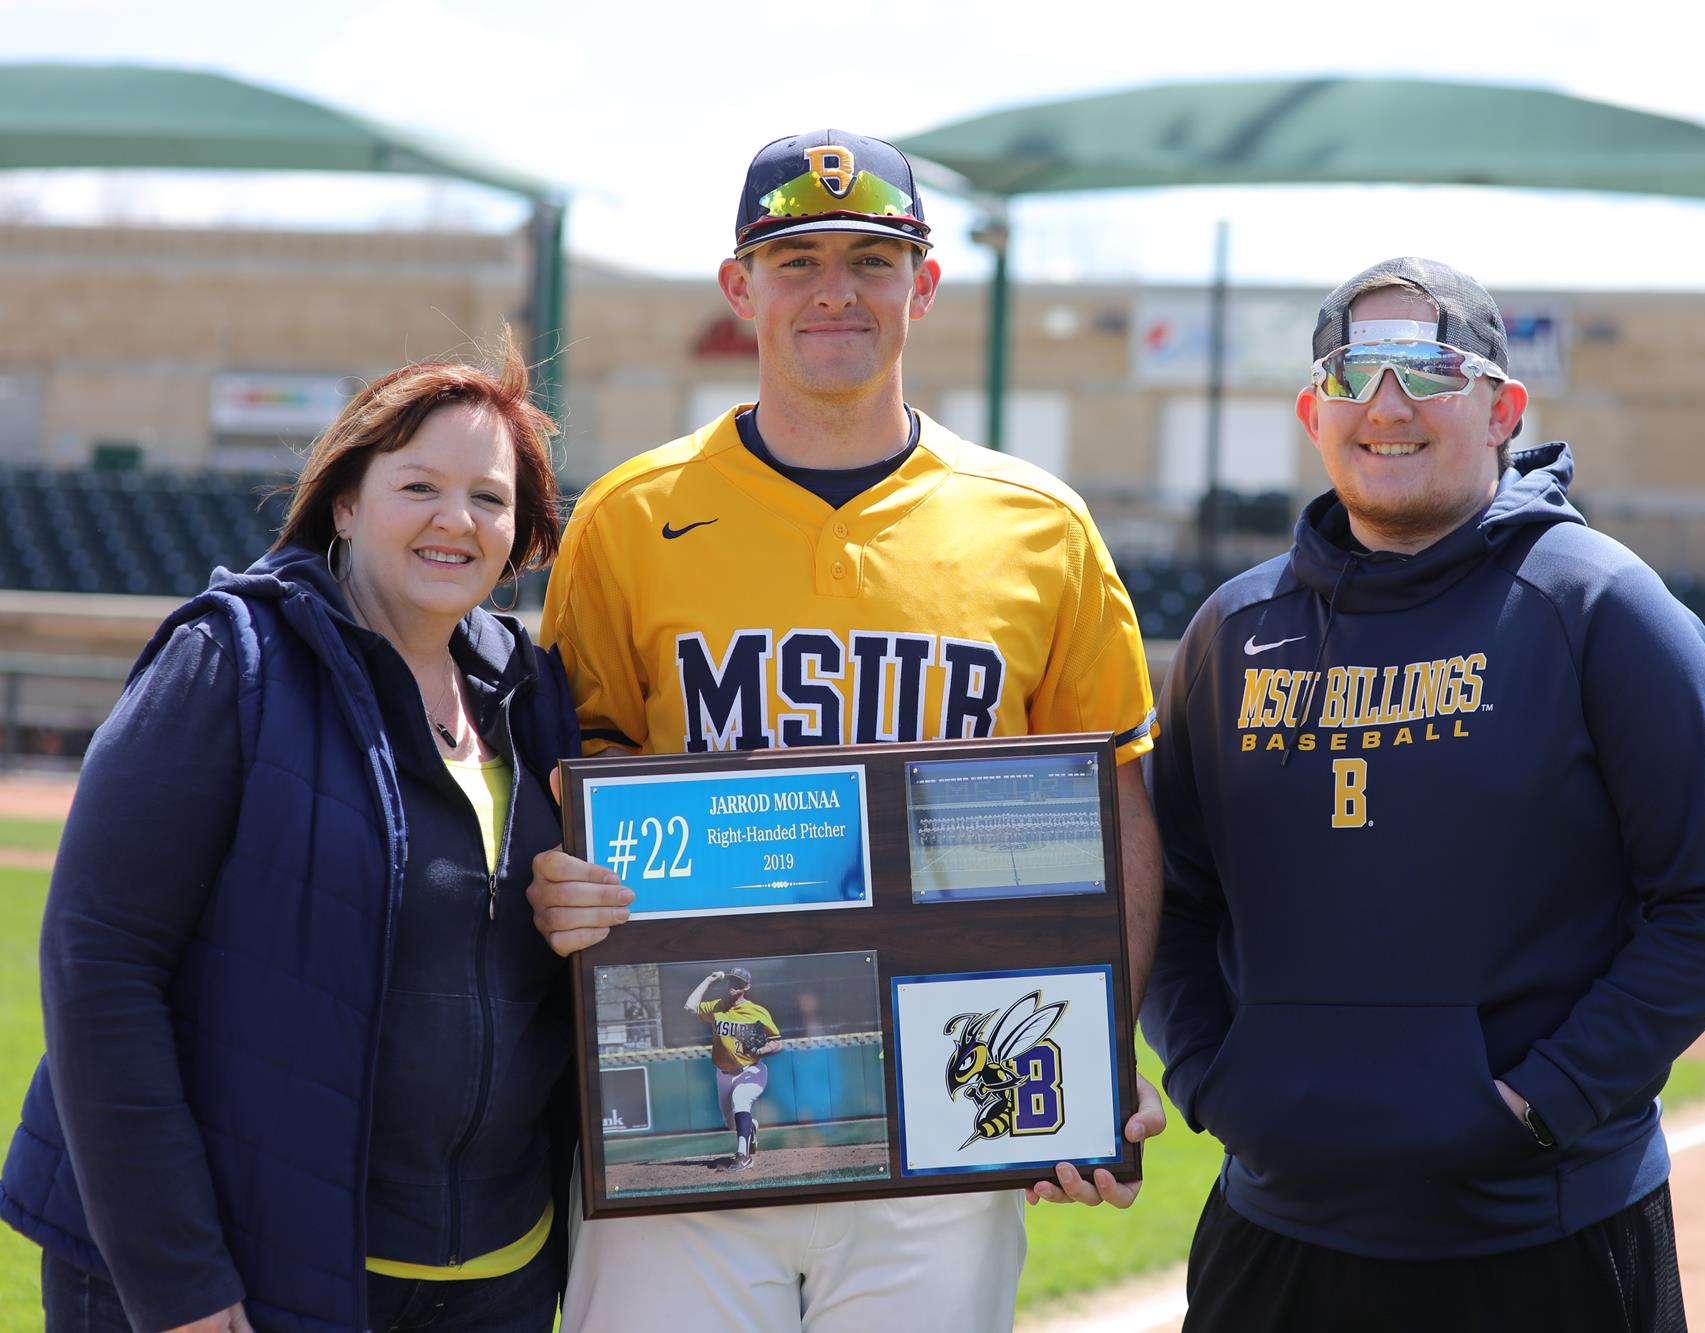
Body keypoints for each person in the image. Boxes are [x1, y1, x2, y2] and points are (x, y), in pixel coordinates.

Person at [523, 128, 1165, 1333]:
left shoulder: (1039, 524)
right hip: (686, 1154)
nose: (835, 291)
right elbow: (575, 775)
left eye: (873, 259)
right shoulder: (627, 517)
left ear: (922, 285)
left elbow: (1109, 802)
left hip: (950, 1096)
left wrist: (1094, 1046)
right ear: (739, 287)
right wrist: (561, 879)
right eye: (795, 258)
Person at [1139, 256, 1705, 1332]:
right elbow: (1174, 896)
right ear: (1311, 412)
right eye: (1350, 374)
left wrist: (1536, 1108)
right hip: (1274, 1235)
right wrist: (1209, 1077)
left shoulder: (1603, 608)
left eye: (1428, 371)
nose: (1384, 406)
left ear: (1501, 409)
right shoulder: (1232, 631)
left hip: (1537, 1235)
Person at [0, 340, 581, 1332]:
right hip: (240, 1274)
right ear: (345, 504)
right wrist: (179, 1279)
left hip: (488, 1279)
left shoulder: (532, 697)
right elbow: (99, 962)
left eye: (488, 498)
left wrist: (587, 905)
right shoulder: (227, 660)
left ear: (520, 532)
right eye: (418, 485)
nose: (455, 519)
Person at [686, 967, 784, 1170]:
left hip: (751, 1070)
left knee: (740, 1099)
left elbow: (777, 1043)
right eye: (731, 981)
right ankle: (751, 1129)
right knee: (732, 1123)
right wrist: (708, 980)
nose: (733, 985)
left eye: (738, 982)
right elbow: (689, 1007)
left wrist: (760, 1049)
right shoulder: (718, 1007)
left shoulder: (757, 1011)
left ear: (746, 987)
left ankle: (743, 1156)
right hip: (722, 1074)